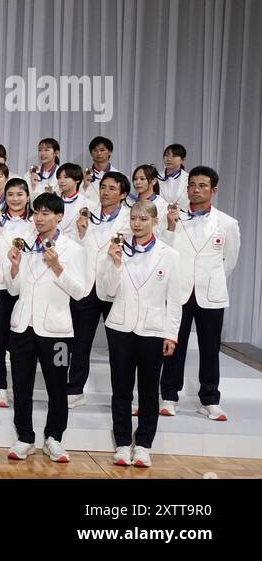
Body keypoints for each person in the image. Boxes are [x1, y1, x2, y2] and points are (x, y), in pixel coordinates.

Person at [97, 200, 183, 468]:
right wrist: (114, 263)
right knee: (121, 390)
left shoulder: (170, 255)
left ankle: (144, 445)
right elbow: (106, 291)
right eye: (134, 217)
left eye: (144, 219)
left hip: (153, 330)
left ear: (154, 221)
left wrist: (171, 334)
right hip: (120, 328)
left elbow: (175, 300)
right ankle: (122, 444)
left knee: (148, 391)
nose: (137, 223)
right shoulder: (116, 250)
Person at [5, 193, 89, 462]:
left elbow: (79, 293)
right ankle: (25, 437)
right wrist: (15, 268)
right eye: (36, 213)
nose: (39, 218)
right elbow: (13, 289)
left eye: (45, 213)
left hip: (58, 333)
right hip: (22, 328)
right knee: (21, 385)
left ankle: (54, 438)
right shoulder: (26, 245)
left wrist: (57, 267)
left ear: (59, 217)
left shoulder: (74, 250)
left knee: (57, 386)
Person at [160, 166, 239, 421]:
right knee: (173, 345)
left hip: (211, 293)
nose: (196, 190)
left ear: (213, 190)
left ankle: (210, 399)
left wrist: (211, 278)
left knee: (209, 347)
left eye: (202, 186)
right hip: (179, 292)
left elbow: (230, 260)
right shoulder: (174, 218)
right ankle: (170, 396)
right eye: (192, 185)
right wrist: (170, 227)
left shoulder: (227, 223)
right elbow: (164, 251)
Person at [66, 172, 131, 408]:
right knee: (79, 342)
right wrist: (81, 232)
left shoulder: (130, 218)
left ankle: (123, 394)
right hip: (86, 286)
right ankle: (74, 389)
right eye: (103, 187)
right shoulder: (86, 213)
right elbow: (73, 248)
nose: (105, 192)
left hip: (115, 286)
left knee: (120, 347)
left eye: (112, 188)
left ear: (123, 194)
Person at [0, 174, 35, 407]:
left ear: (27, 196)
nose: (15, 198)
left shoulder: (35, 222)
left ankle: (20, 387)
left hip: (26, 287)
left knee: (20, 340)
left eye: (19, 194)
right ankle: (0, 388)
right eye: (10, 194)